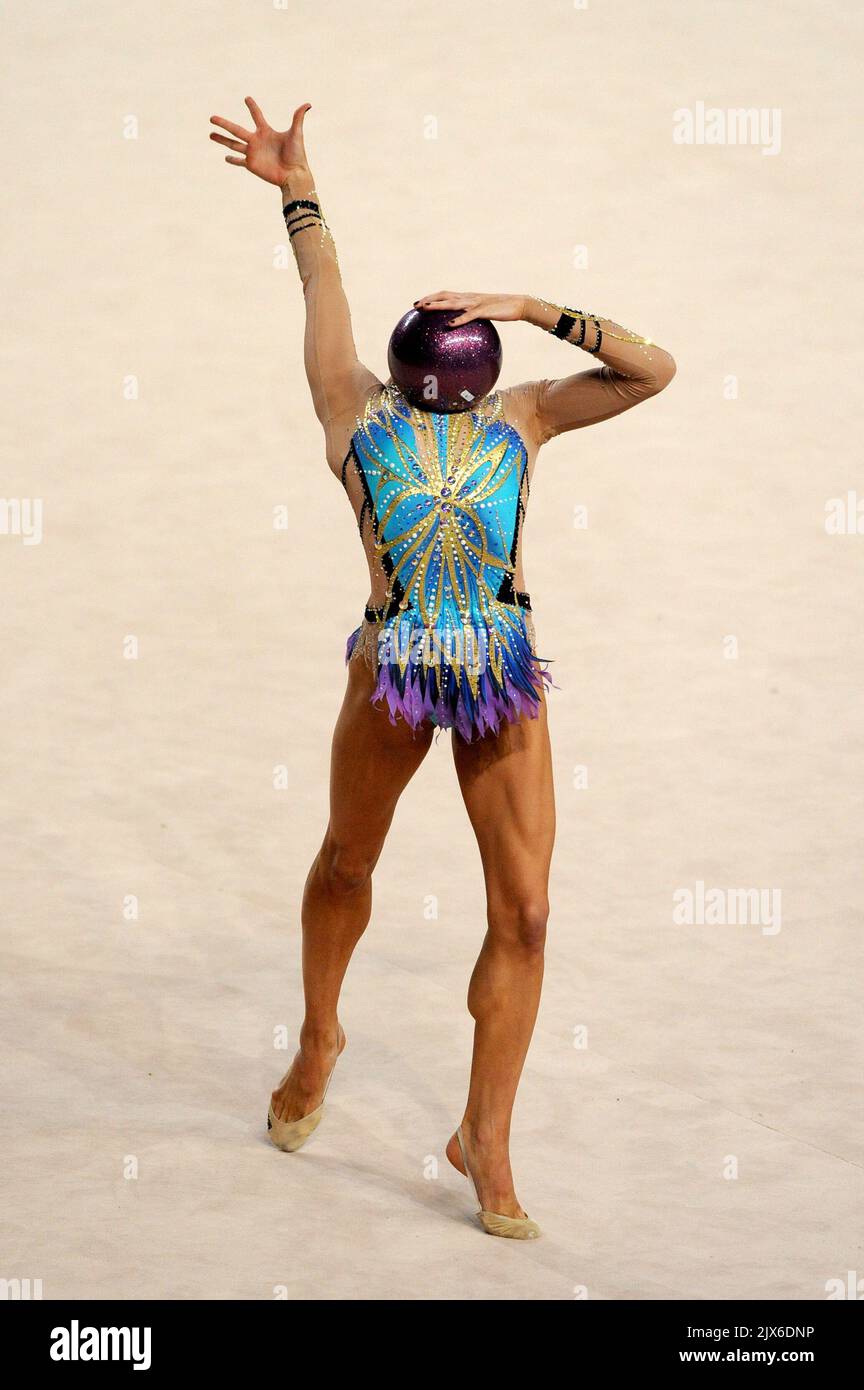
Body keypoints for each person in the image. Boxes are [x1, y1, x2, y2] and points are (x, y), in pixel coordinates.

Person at [209, 97, 676, 1239]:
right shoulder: (353, 412)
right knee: (344, 859)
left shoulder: (525, 417)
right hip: (397, 666)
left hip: (501, 675)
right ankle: (322, 1033)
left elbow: (654, 367)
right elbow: (326, 301)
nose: (439, 398)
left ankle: (487, 1140)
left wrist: (528, 301)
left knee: (525, 911)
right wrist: (296, 191)